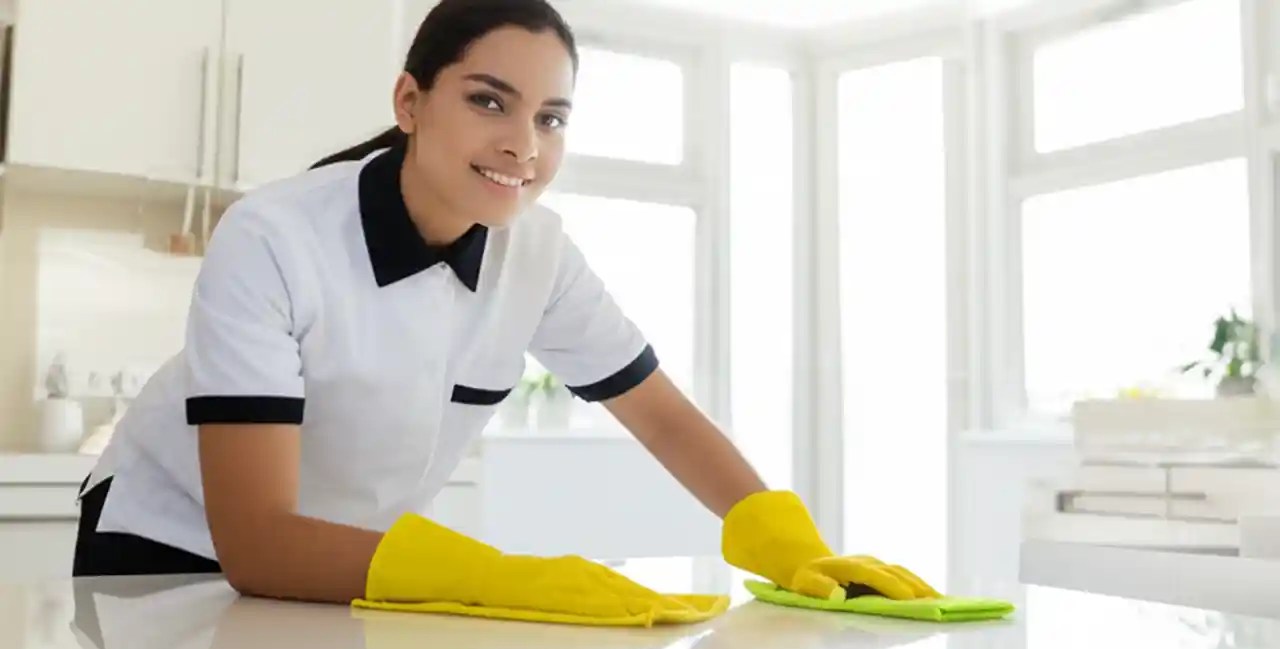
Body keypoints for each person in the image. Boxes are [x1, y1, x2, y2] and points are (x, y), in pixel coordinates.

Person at [71, 0, 940, 613]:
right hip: (164, 559)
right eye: (489, 100)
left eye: (552, 118)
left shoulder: (540, 254)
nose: (524, 145)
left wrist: (783, 539)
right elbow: (257, 544)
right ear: (411, 103)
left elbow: (664, 419)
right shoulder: (273, 237)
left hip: (344, 566)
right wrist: (505, 580)